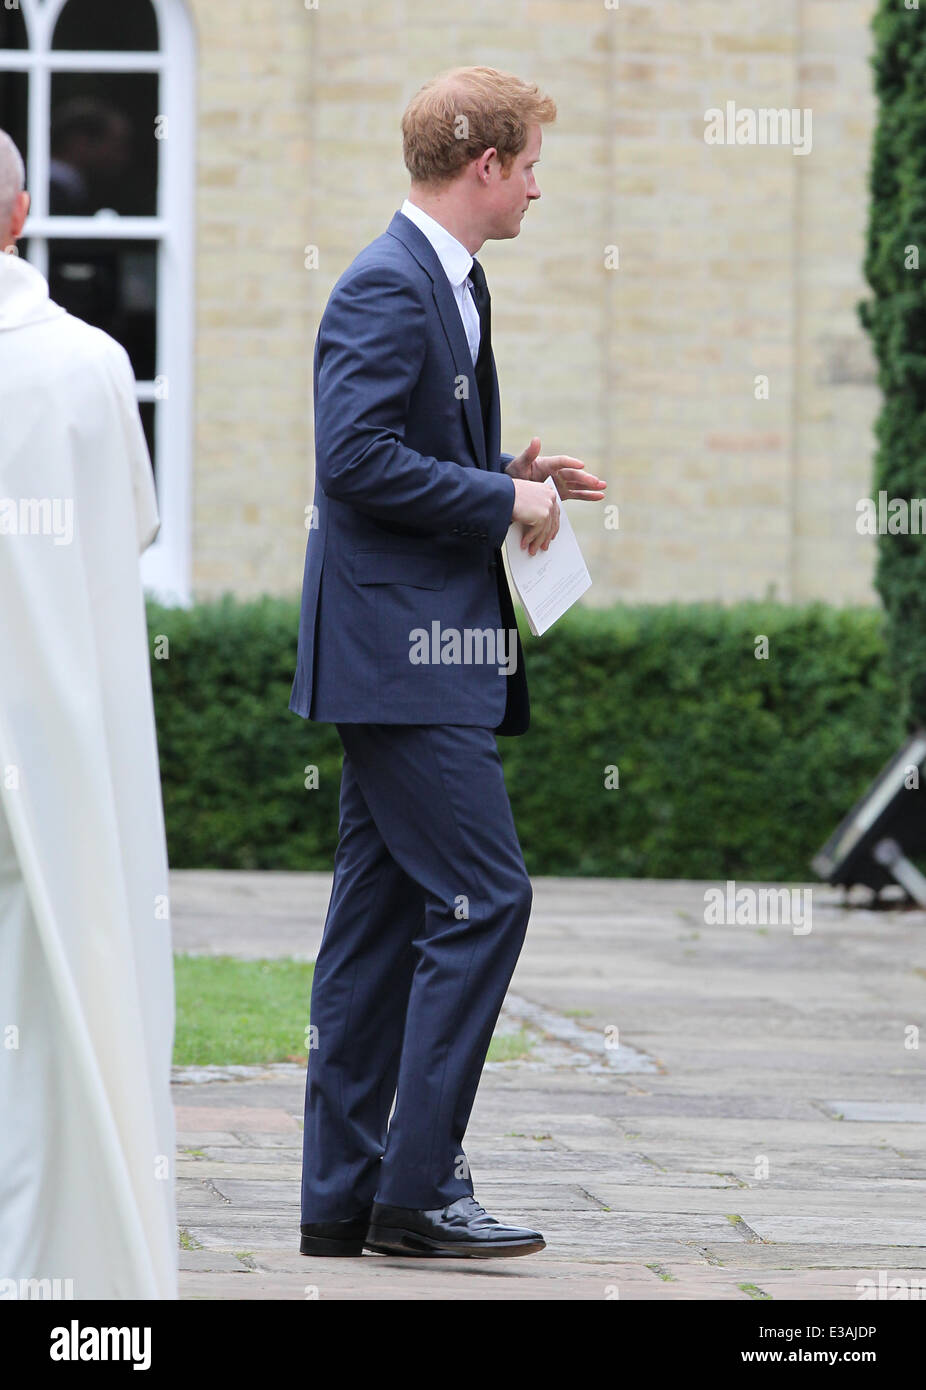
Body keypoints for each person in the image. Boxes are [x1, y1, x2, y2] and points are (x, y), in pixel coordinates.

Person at [290, 67, 606, 1259]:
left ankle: (342, 1202)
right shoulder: (388, 281)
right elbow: (353, 461)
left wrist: (511, 471)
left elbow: (404, 448)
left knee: (375, 933)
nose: (537, 187)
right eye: (527, 166)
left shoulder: (445, 281)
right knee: (487, 897)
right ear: (483, 167)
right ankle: (417, 1193)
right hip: (400, 656)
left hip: (411, 652)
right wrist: (500, 494)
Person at [0, 131, 177, 1299]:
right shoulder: (88, 365)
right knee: (49, 1030)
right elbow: (135, 527)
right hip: (52, 745)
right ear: (19, 214)